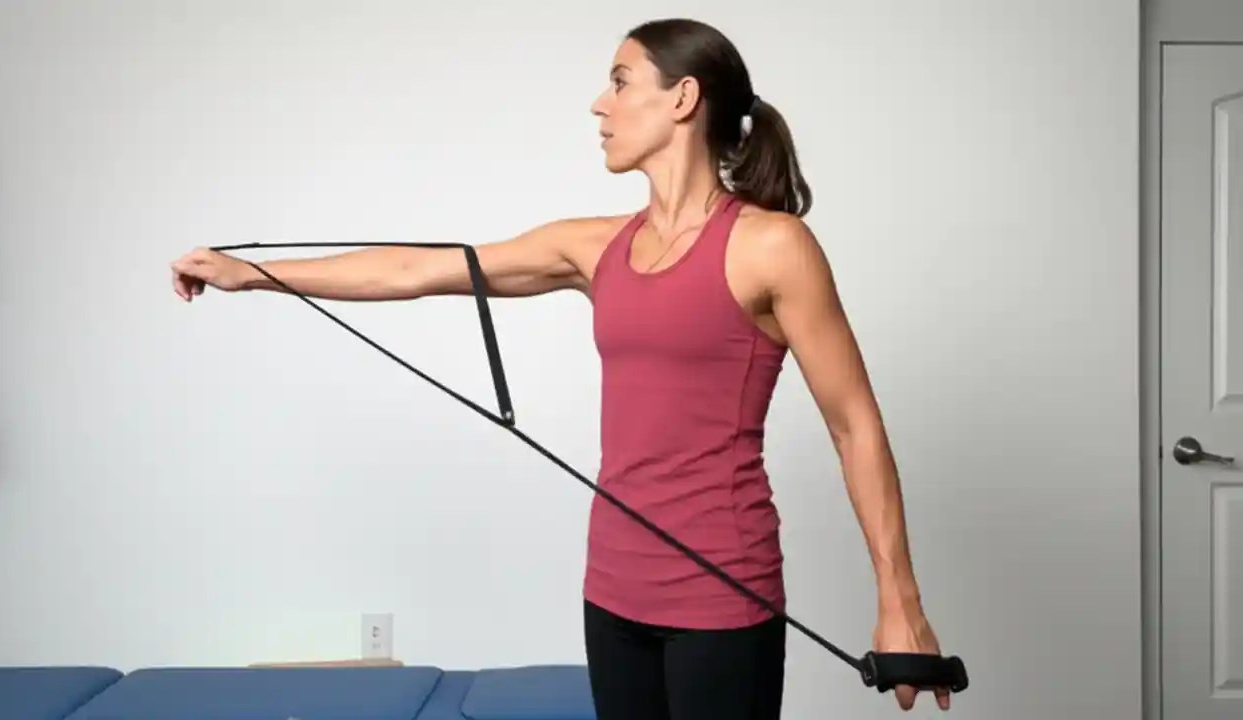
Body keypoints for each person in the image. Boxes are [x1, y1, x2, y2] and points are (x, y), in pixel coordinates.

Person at [170, 17, 949, 718]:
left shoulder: (771, 246)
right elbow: (417, 270)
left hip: (723, 591)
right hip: (610, 587)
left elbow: (855, 427)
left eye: (618, 82)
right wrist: (257, 274)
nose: (597, 105)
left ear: (682, 98)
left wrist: (898, 600)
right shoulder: (595, 245)